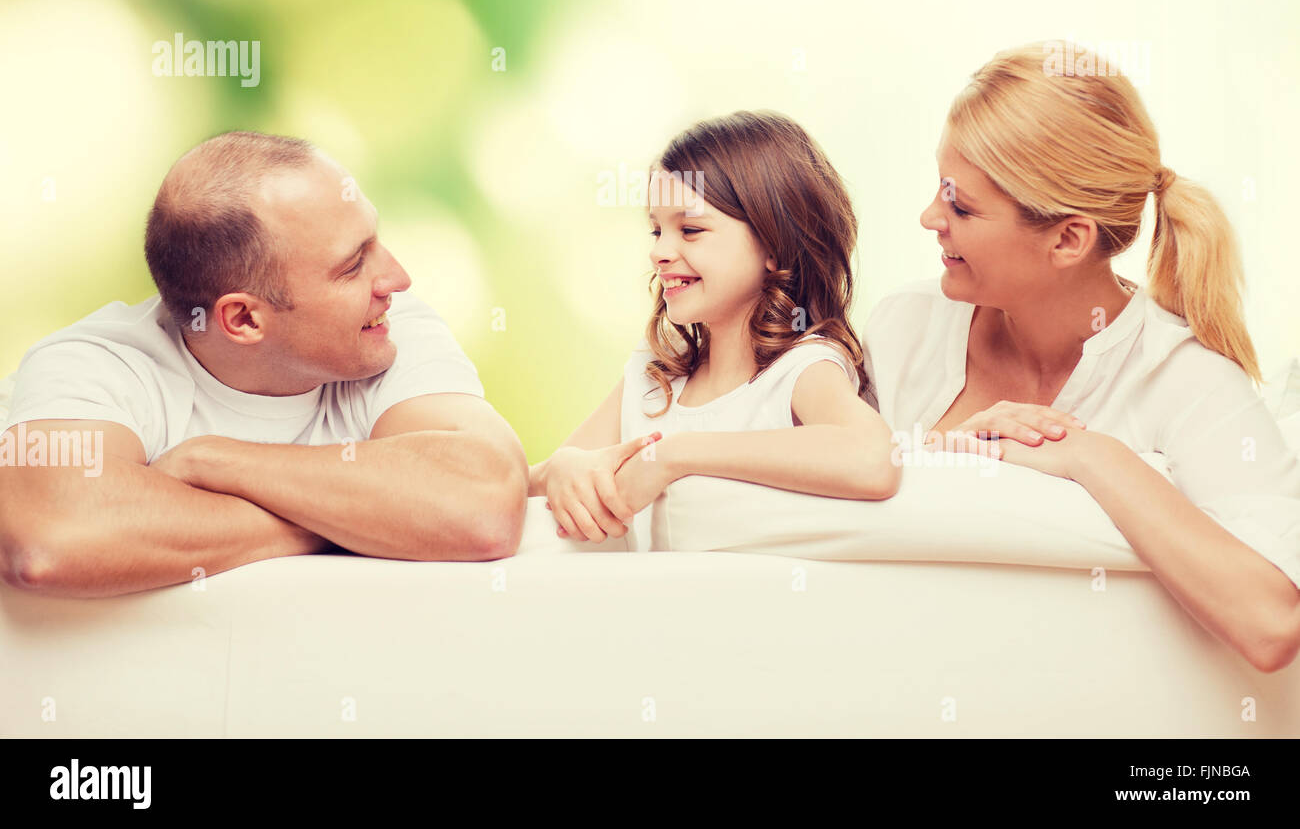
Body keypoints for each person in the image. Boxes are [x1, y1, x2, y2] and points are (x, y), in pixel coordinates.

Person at [864, 43, 1300, 672]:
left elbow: (1273, 623)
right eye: (940, 190)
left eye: (960, 206)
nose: (930, 216)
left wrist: (1086, 454)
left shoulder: (1189, 379)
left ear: (1068, 238)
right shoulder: (905, 326)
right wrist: (941, 451)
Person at [0, 131, 527, 597]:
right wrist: (355, 523)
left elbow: (483, 506)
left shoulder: (387, 328)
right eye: (351, 266)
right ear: (244, 320)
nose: (397, 279)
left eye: (376, 241)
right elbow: (50, 543)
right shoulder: (92, 365)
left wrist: (215, 461)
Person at [529, 110, 899, 550]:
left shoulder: (801, 370)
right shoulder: (652, 376)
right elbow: (526, 490)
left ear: (774, 246)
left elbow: (876, 458)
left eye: (690, 229)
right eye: (656, 230)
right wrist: (561, 468)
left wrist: (674, 455)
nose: (660, 252)